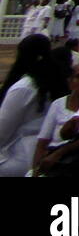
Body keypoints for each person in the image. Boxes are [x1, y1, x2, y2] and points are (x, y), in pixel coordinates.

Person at [0, 34, 69, 176]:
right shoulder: (58, 80)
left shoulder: (23, 87)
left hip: (20, 155)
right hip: (48, 151)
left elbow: (2, 131)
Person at [32, 59, 79, 175]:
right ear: (71, 83)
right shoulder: (58, 104)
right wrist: (35, 171)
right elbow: (42, 142)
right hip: (53, 162)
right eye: (78, 76)